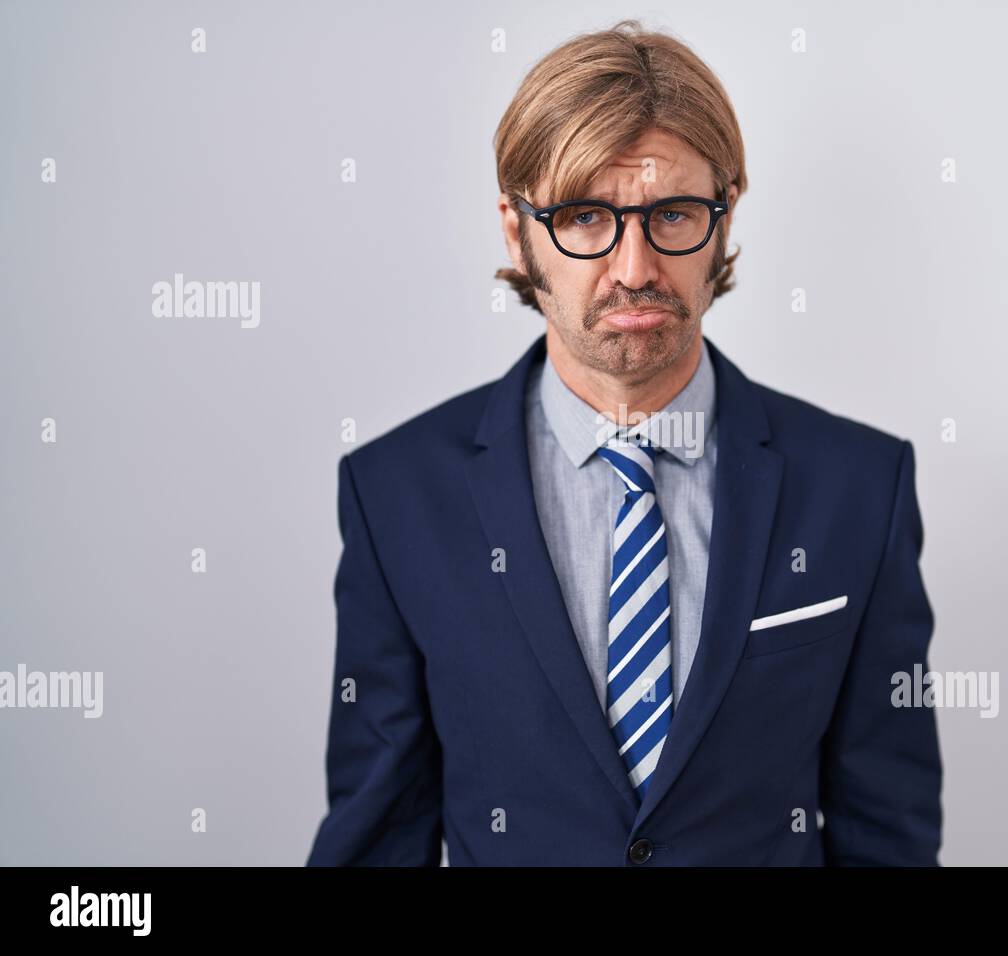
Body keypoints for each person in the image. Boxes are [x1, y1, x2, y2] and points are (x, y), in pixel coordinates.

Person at [307, 19, 941, 866]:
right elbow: (378, 838)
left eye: (672, 213)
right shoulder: (395, 497)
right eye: (584, 216)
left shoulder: (860, 487)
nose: (635, 266)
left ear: (723, 219)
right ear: (515, 229)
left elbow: (887, 832)